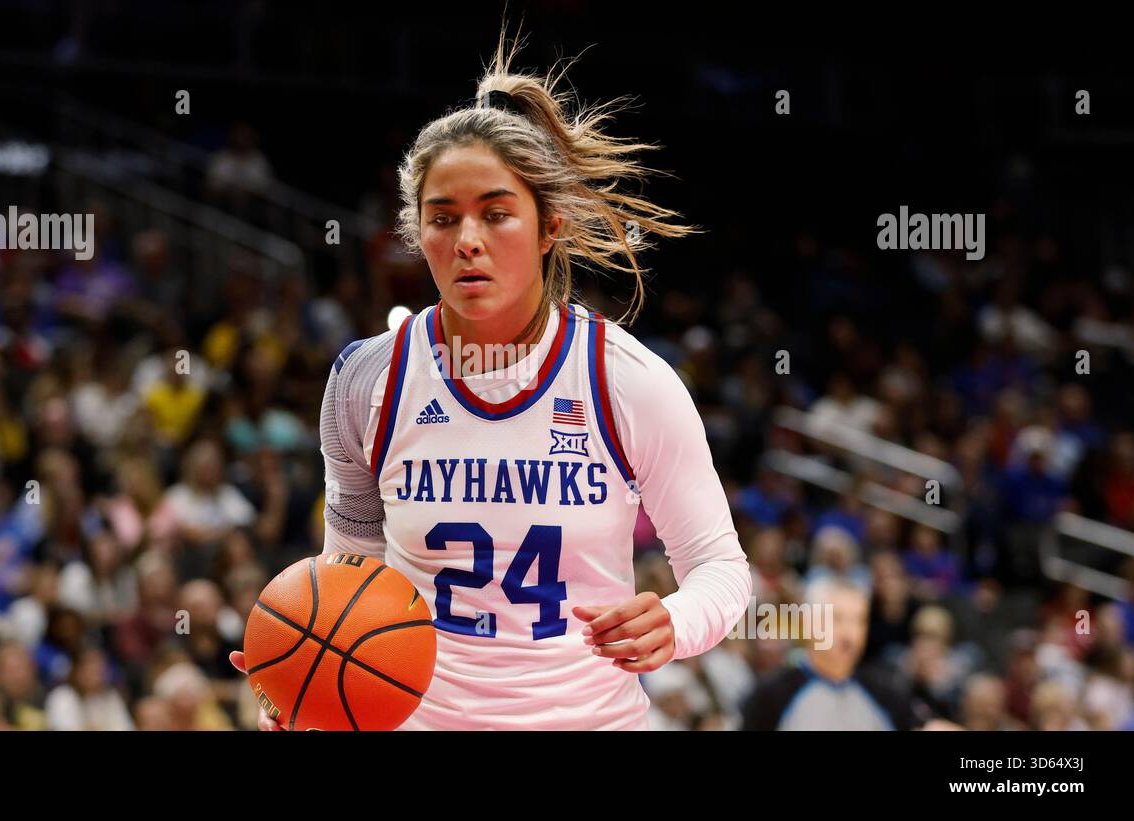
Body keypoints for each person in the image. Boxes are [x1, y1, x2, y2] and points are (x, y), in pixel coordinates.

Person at [230, 25, 751, 730]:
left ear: (548, 229)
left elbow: (721, 569)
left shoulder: (628, 381)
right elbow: (350, 578)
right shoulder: (365, 380)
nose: (467, 239)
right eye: (443, 219)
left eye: (496, 213)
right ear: (419, 235)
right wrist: (304, 668)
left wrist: (676, 619)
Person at [740, 578, 921, 731]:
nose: (849, 634)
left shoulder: (887, 693)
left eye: (859, 620)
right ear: (808, 623)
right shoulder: (771, 695)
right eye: (836, 618)